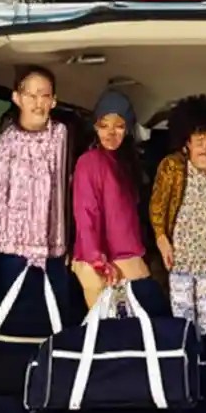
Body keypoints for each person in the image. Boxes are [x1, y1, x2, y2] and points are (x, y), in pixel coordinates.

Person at [0, 65, 70, 337]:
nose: (37, 102)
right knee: (14, 325)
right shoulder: (5, 144)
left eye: (44, 95)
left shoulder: (61, 136)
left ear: (53, 101)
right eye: (30, 95)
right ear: (17, 98)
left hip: (54, 249)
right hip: (14, 252)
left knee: (55, 326)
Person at [148, 94, 206, 336]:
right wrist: (161, 238)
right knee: (183, 318)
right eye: (199, 140)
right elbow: (157, 205)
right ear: (186, 142)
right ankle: (188, 353)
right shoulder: (172, 166)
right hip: (180, 257)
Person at [71, 89, 151, 308]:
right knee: (111, 328)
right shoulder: (89, 162)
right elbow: (86, 213)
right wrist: (97, 261)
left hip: (127, 258)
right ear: (95, 127)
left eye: (119, 126)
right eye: (104, 125)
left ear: (128, 129)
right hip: (102, 264)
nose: (110, 133)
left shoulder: (125, 165)